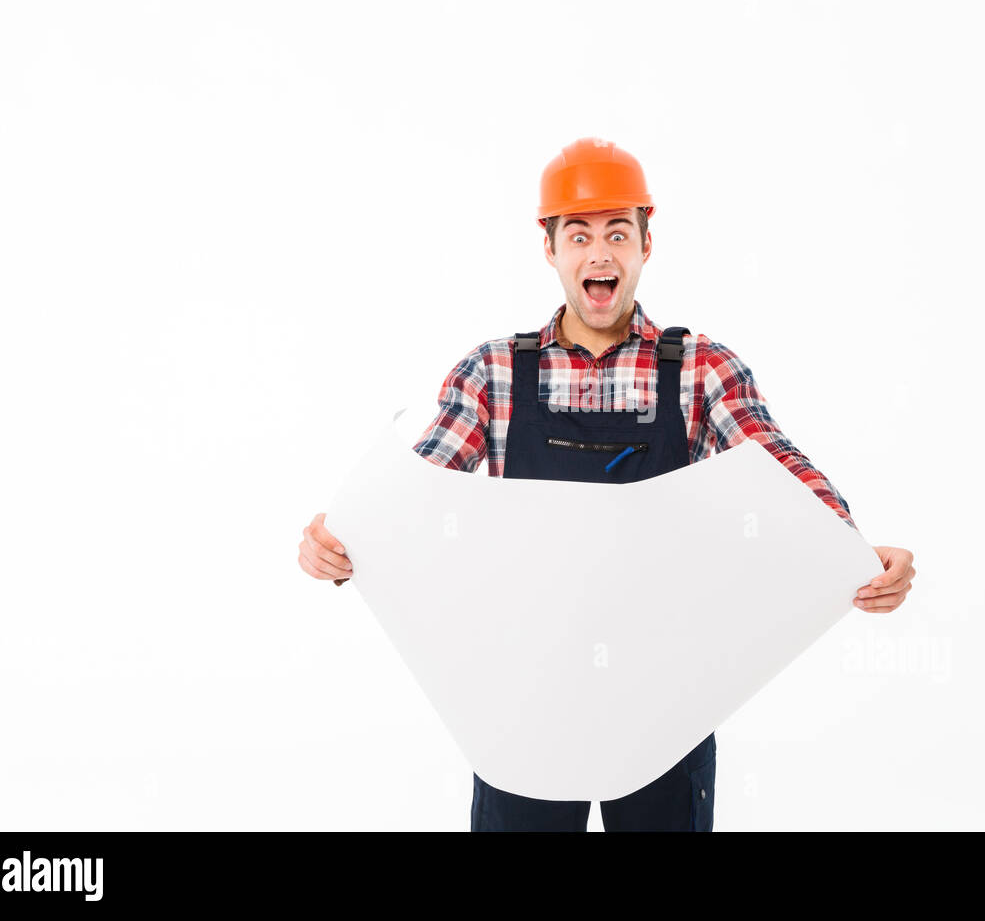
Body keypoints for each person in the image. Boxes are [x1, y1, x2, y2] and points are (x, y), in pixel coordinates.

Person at [297, 136, 916, 831]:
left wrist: (856, 552)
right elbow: (415, 497)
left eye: (618, 233)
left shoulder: (702, 371)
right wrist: (337, 544)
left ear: (646, 245)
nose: (600, 253)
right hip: (521, 714)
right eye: (580, 233)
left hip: (667, 713)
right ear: (550, 248)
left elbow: (781, 468)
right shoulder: (494, 373)